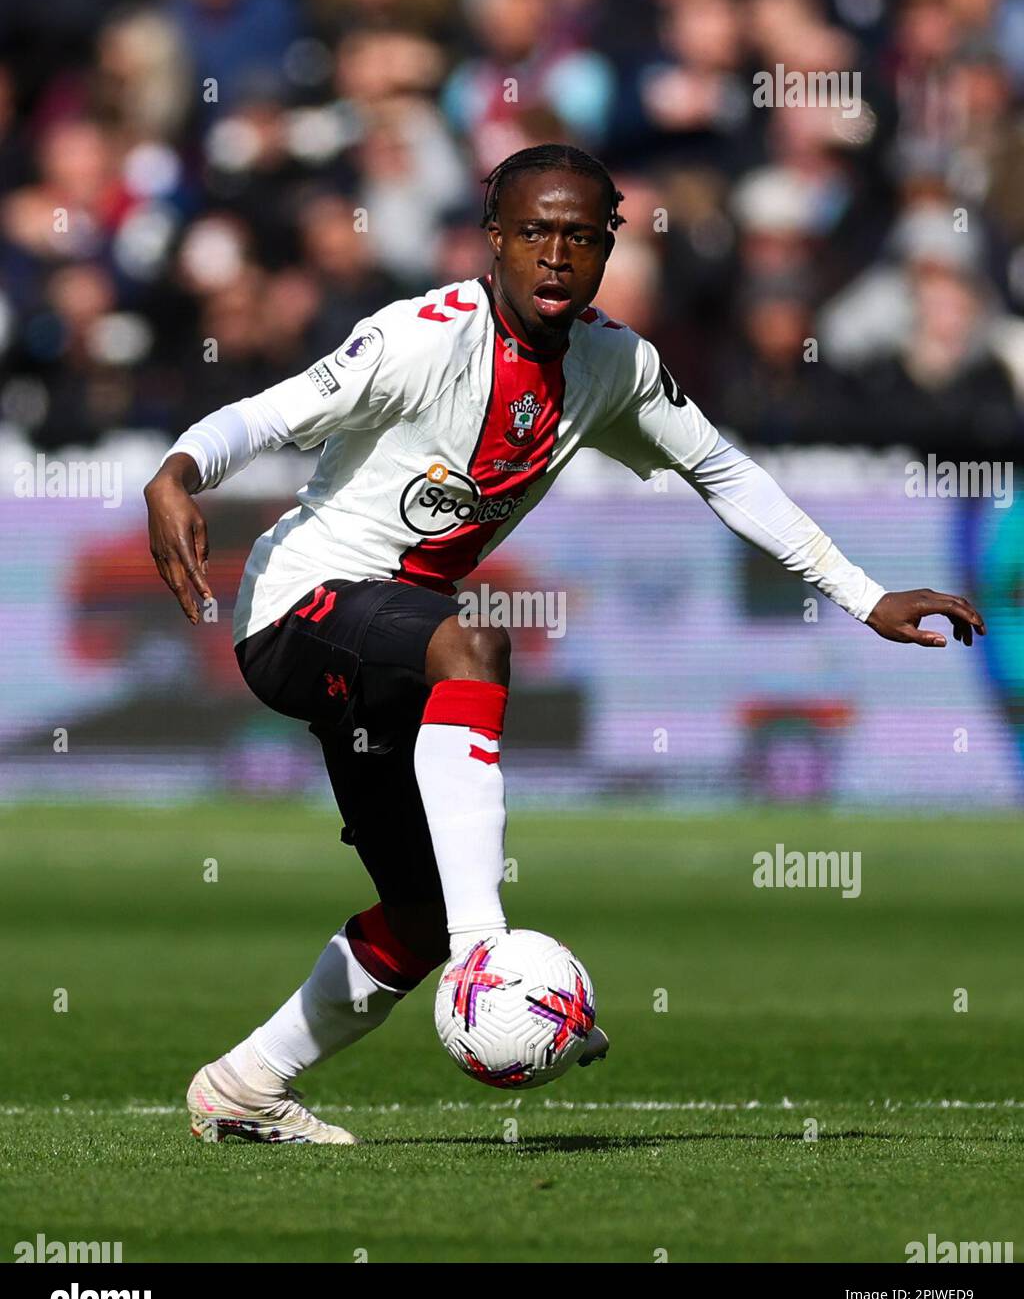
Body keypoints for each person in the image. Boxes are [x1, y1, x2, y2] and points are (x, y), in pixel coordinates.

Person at [144, 144, 986, 1144]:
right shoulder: (418, 338)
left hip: (390, 656)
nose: (555, 254)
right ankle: (483, 951)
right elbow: (268, 413)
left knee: (409, 915)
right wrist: (177, 470)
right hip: (298, 609)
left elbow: (725, 474)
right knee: (476, 649)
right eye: (533, 231)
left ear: (605, 249)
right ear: (491, 240)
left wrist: (862, 593)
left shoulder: (614, 365)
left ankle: (244, 1085)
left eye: (579, 236)